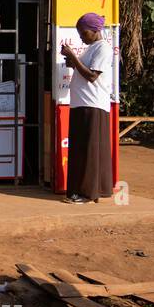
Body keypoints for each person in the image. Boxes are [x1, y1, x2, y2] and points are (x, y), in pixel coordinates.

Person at [59, 12, 114, 203]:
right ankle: (88, 190)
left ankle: (87, 193)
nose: (81, 36)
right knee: (82, 151)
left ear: (94, 30)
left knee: (89, 152)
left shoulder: (103, 48)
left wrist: (73, 56)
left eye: (83, 32)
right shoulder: (92, 48)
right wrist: (73, 61)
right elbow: (84, 71)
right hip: (81, 104)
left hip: (93, 104)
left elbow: (92, 76)